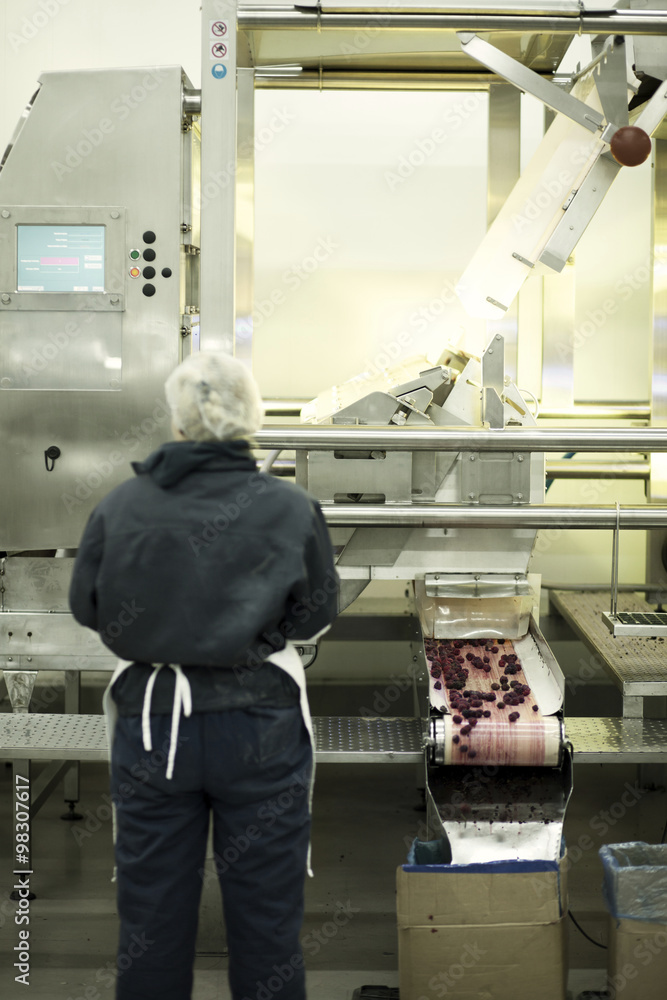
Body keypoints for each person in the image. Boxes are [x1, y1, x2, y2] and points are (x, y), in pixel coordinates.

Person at [69, 351, 338, 1000]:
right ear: (252, 417)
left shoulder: (121, 506)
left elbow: (87, 607)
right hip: (260, 727)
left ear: (178, 420)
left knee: (151, 922)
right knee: (268, 922)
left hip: (154, 727)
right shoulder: (290, 508)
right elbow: (314, 616)